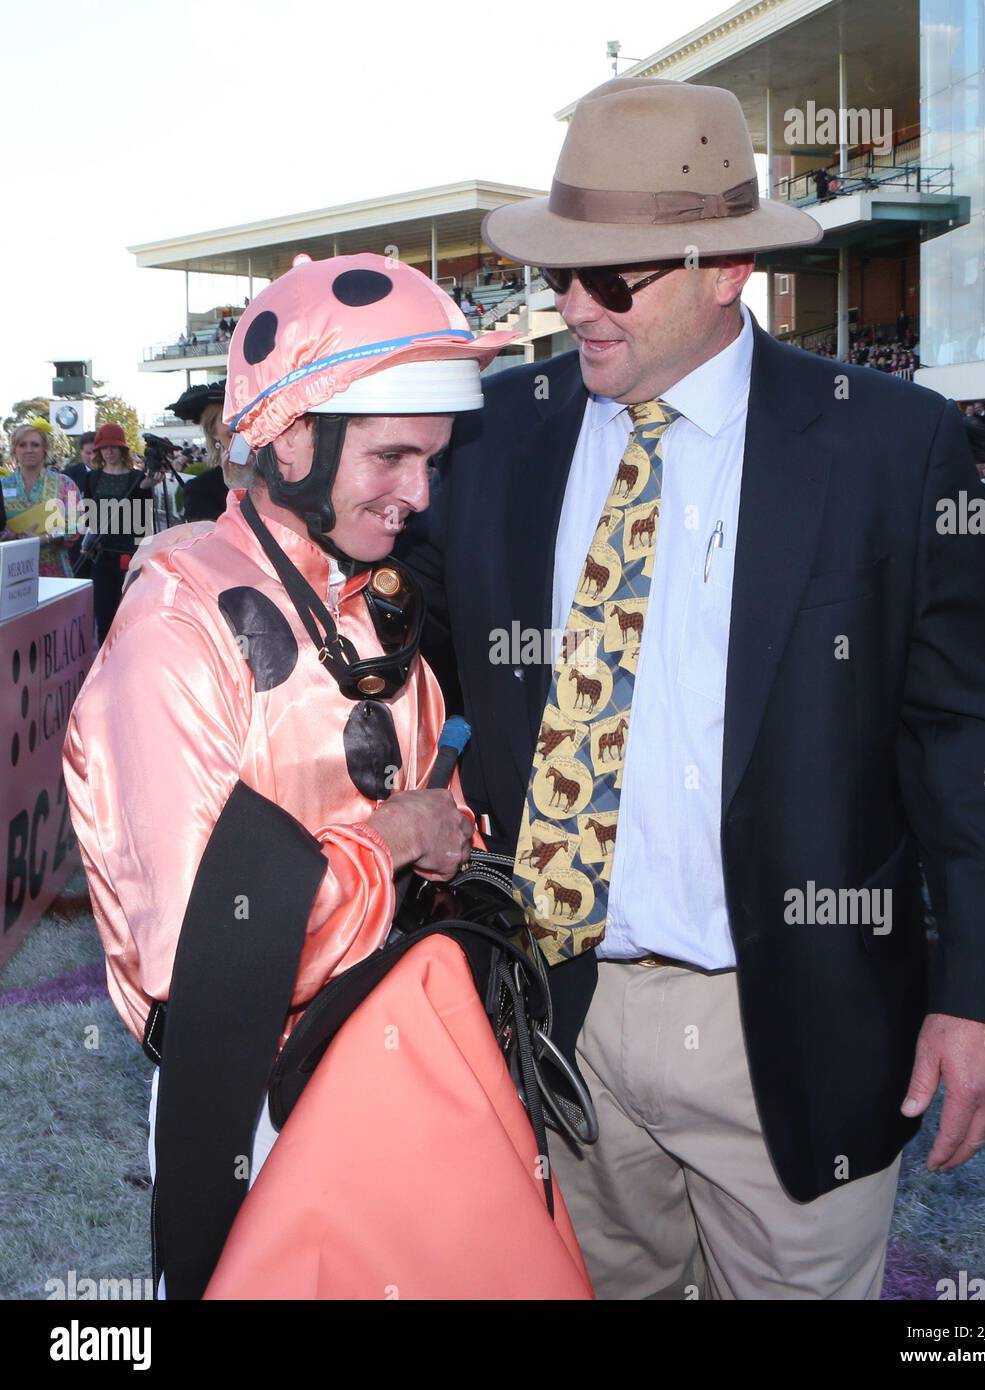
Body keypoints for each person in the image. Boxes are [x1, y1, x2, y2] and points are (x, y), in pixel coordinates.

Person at [398, 75, 985, 1300]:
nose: (572, 305)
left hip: (791, 1022)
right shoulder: (494, 436)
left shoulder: (885, 442)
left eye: (611, 276)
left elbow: (972, 742)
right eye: (558, 271)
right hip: (558, 1020)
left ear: (723, 266)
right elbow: (382, 632)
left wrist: (976, 1000)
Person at [63, 252, 589, 1301]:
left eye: (432, 461)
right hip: (258, 1107)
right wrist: (391, 845)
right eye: (392, 456)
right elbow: (195, 954)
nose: (418, 493)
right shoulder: (175, 623)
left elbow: (447, 816)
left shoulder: (369, 599)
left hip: (407, 1066)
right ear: (291, 435)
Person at [81, 422, 154, 641]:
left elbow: (144, 522)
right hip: (102, 556)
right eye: (104, 448)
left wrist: (144, 555)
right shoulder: (93, 478)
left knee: (130, 616)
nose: (109, 452)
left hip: (130, 557)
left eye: (113, 447)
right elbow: (89, 516)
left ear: (122, 449)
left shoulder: (138, 479)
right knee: (104, 618)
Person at [0, 423, 81, 574]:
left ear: (45, 450)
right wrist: (13, 536)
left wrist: (46, 538)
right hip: (10, 574)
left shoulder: (65, 484)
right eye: (22, 445)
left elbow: (75, 527)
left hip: (54, 572)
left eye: (35, 445)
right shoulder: (2, 485)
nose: (29, 450)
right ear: (14, 451)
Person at [169, 383, 253, 521]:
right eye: (227, 417)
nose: (237, 423)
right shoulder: (199, 490)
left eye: (242, 414)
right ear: (213, 431)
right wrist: (239, 494)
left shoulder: (279, 476)